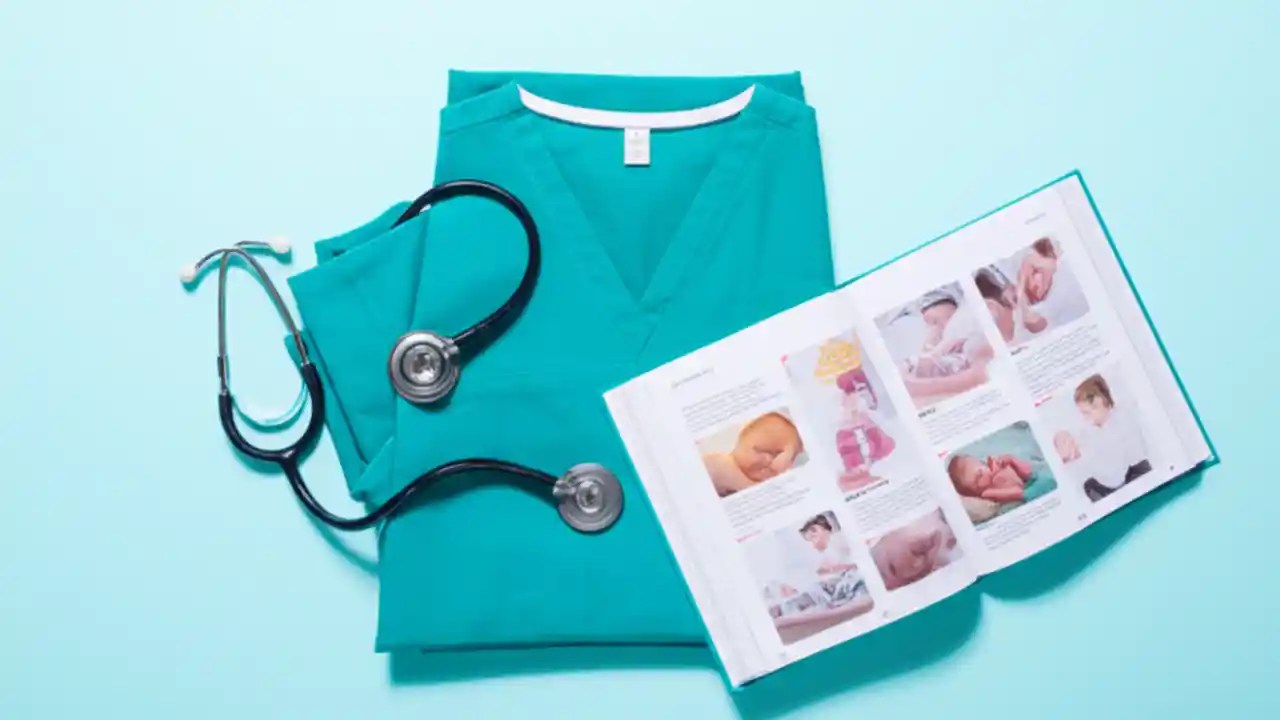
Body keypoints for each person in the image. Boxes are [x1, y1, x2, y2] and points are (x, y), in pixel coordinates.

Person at [1056, 374, 1151, 501]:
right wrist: (1069, 450)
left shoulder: (1120, 419)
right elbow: (1079, 447)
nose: (1086, 418)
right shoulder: (1088, 430)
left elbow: (1122, 447)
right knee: (1088, 485)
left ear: (1102, 403)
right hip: (1106, 485)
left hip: (1129, 474)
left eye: (1087, 412)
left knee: (1142, 466)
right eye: (1083, 413)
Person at [702, 412, 804, 496]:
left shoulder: (772, 486)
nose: (768, 460)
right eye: (761, 450)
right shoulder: (721, 463)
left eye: (777, 454)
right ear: (740, 439)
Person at [946, 452, 1033, 504]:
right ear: (975, 492)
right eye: (978, 479)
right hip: (1026, 490)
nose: (984, 474)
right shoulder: (988, 493)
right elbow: (1019, 492)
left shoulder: (995, 467)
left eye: (982, 467)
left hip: (1026, 478)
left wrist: (1010, 460)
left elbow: (1028, 472)